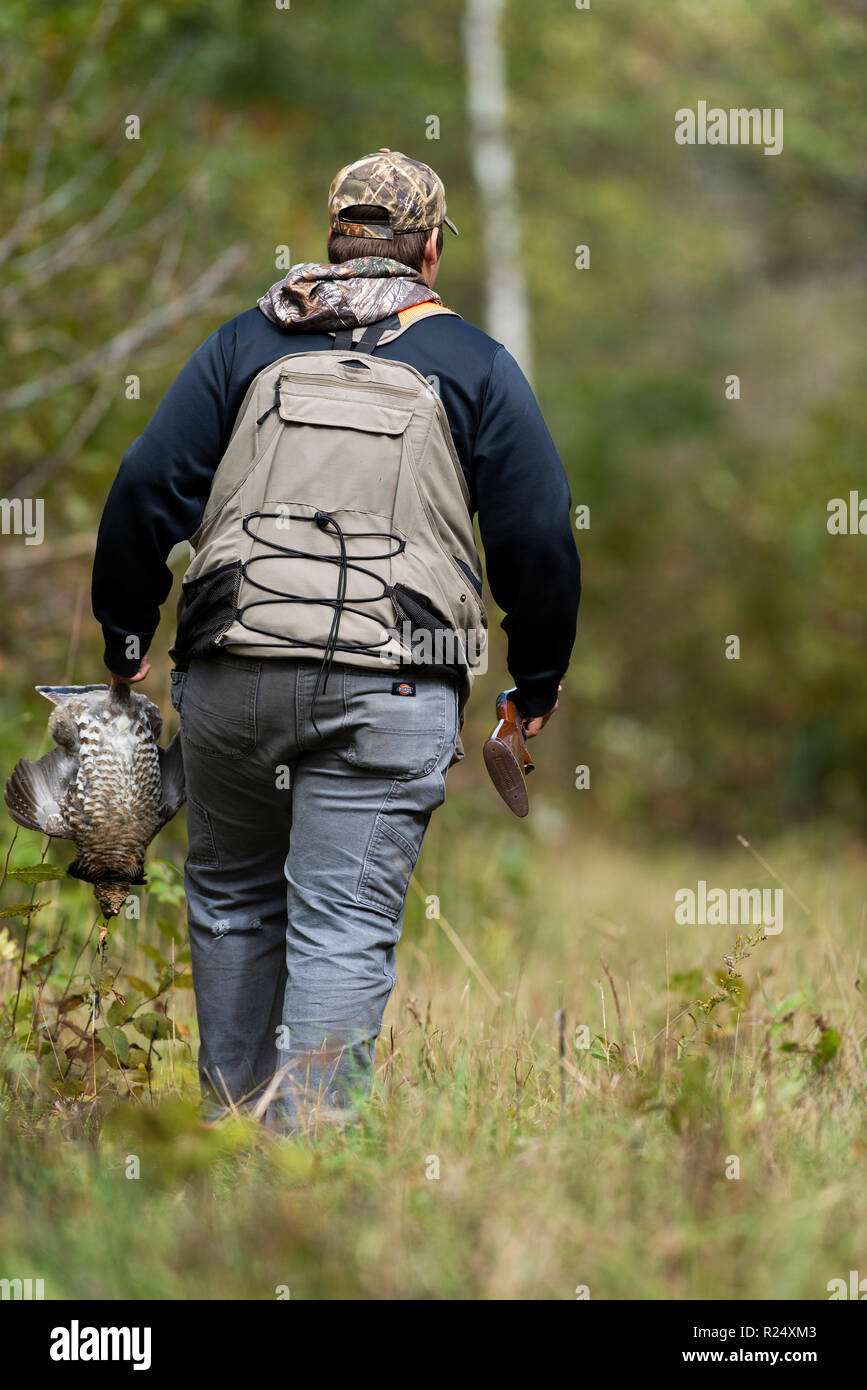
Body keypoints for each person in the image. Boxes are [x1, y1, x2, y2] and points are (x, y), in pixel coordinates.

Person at [92, 148, 580, 1129]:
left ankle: (229, 1153)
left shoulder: (244, 345)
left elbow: (148, 487)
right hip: (394, 686)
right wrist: (535, 681)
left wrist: (124, 631)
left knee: (232, 904)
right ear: (431, 251)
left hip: (233, 670)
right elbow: (535, 535)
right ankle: (304, 1174)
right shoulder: (475, 363)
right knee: (343, 925)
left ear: (332, 236)